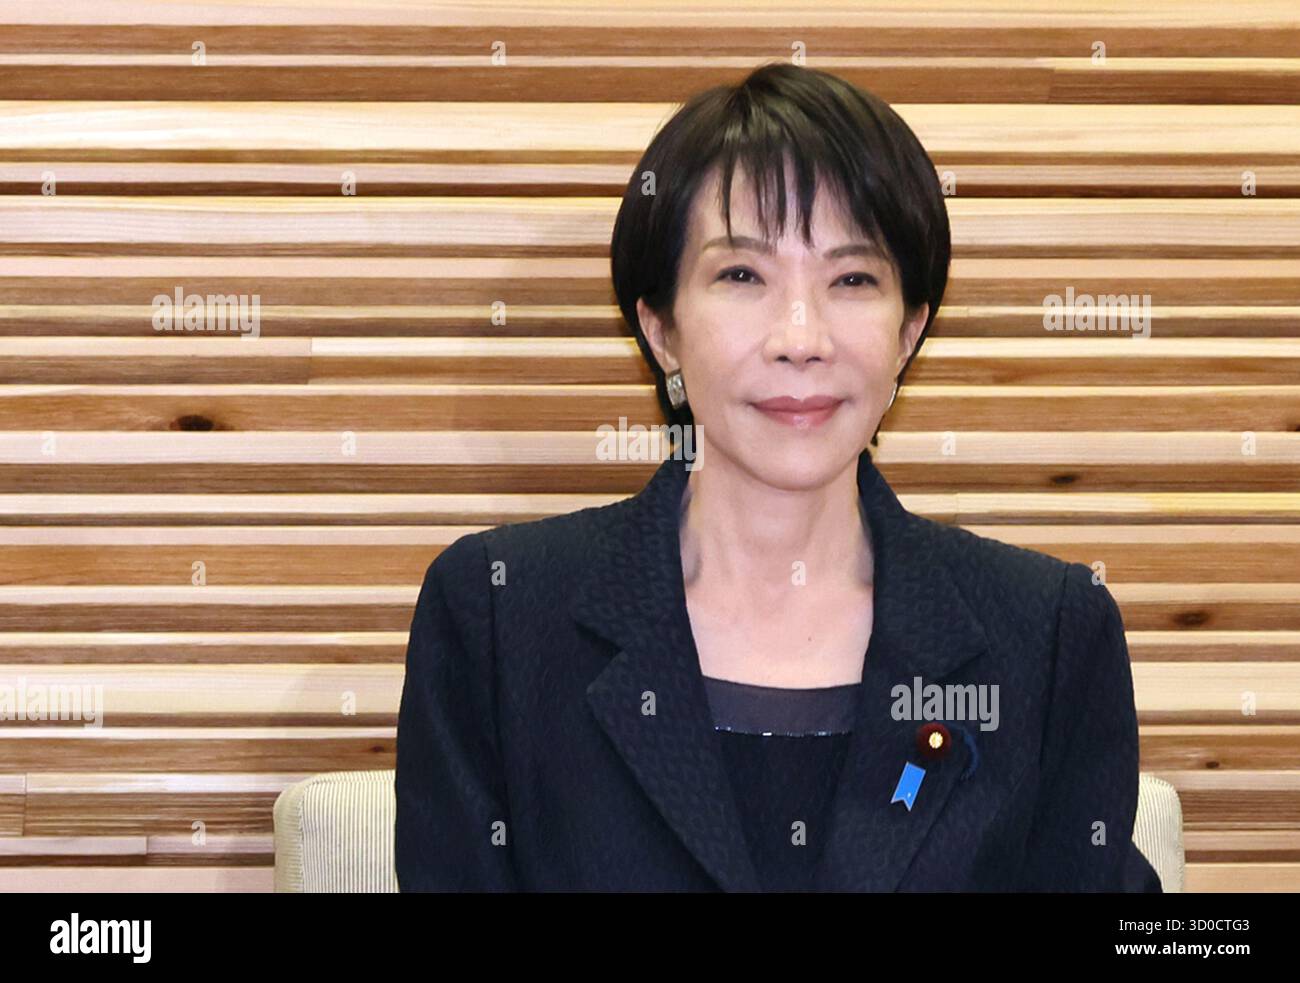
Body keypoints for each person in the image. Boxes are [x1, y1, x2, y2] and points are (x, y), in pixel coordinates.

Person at [396, 62, 1162, 892]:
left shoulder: (1044, 637)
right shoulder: (500, 618)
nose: (801, 337)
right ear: (660, 330)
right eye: (742, 276)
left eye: (852, 279)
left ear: (910, 331)